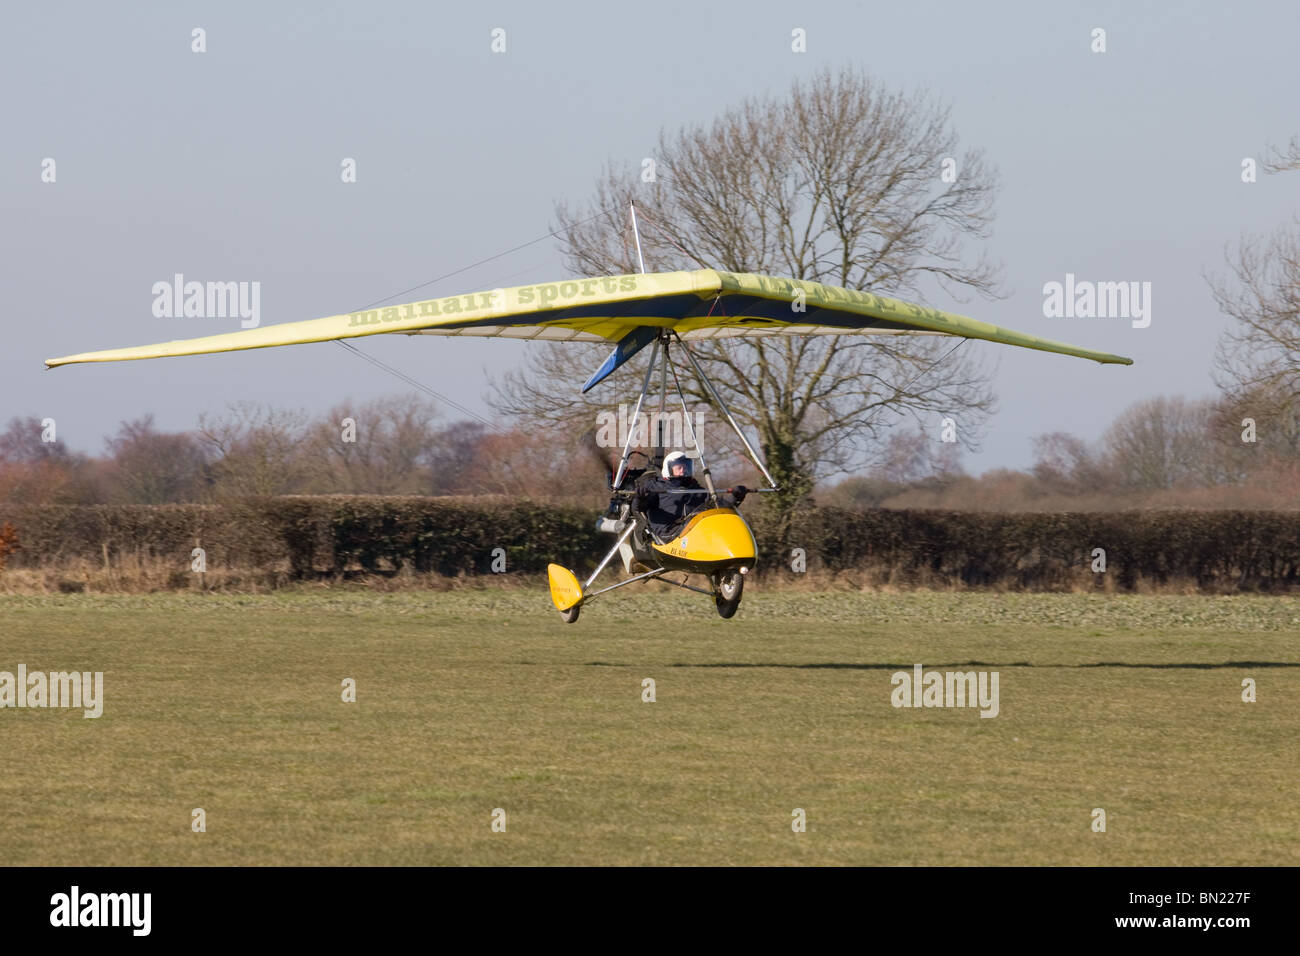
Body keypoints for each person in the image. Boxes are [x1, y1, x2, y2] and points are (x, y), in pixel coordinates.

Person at [635, 451, 748, 540]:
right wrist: (640, 498)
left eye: (686, 467)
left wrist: (735, 497)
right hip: (668, 534)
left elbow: (717, 507)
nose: (683, 470)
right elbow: (638, 508)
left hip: (692, 533)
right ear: (669, 469)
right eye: (679, 467)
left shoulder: (696, 490)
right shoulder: (656, 487)